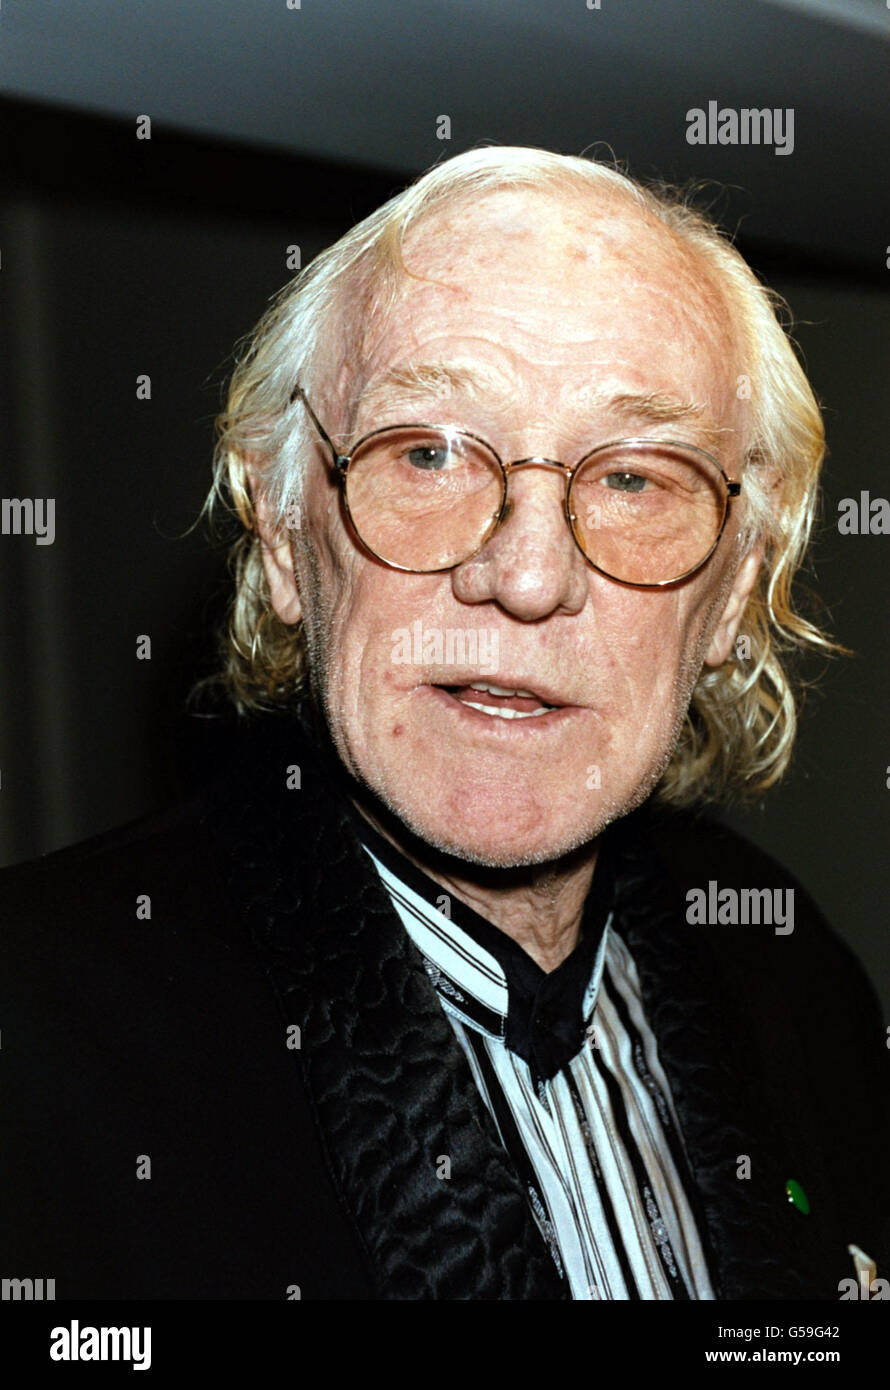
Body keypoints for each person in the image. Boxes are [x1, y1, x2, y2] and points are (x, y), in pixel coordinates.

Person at [2, 146, 886, 1301]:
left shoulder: (790, 978)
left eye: (633, 477)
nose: (525, 576)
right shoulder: (36, 1045)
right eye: (428, 452)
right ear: (280, 534)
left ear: (733, 585)